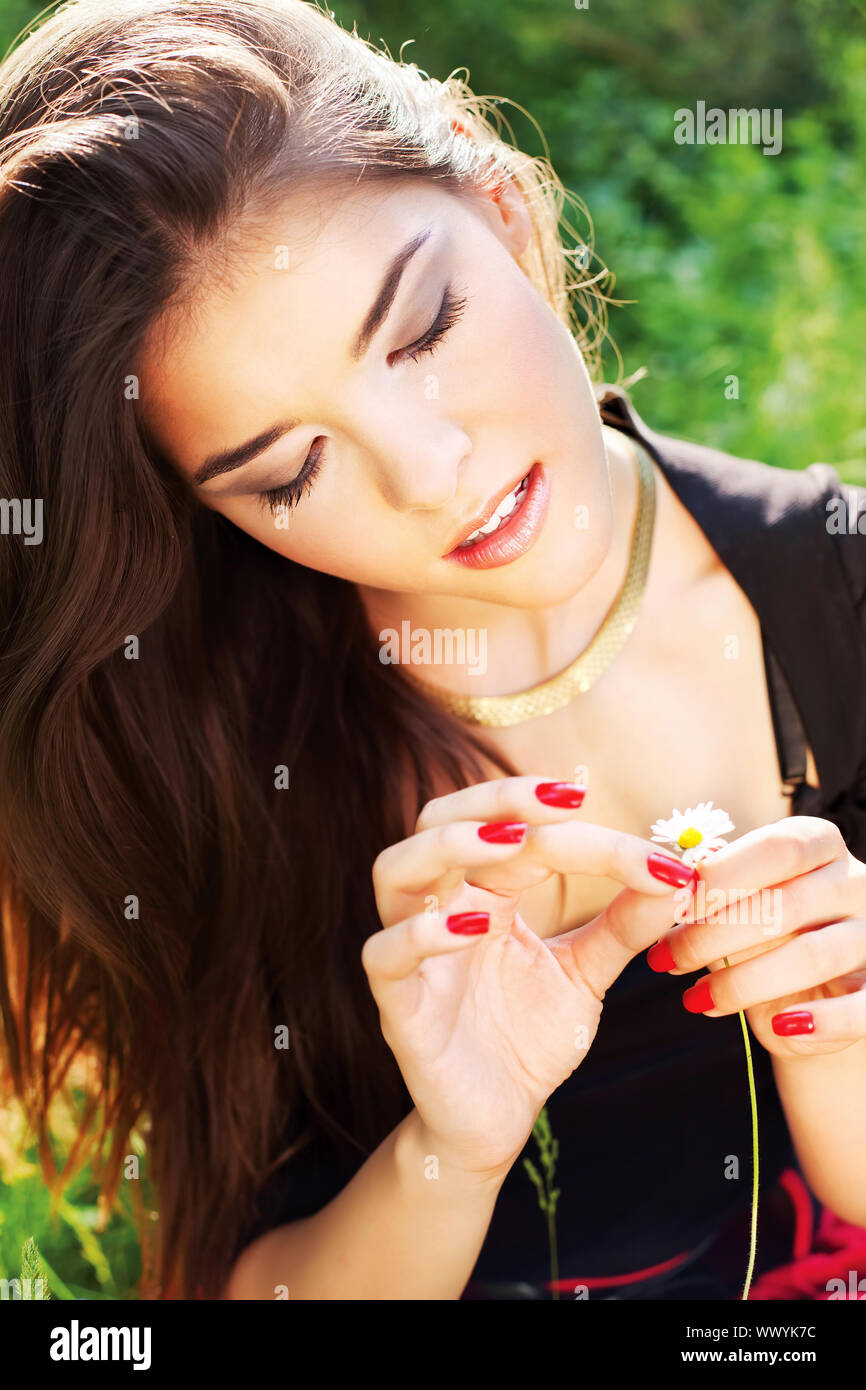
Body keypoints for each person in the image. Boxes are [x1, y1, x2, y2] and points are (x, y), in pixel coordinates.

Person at [0, 0, 864, 1303]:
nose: (432, 471)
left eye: (423, 327)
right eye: (290, 471)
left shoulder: (838, 589)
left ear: (498, 198)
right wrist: (449, 1148)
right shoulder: (236, 762)